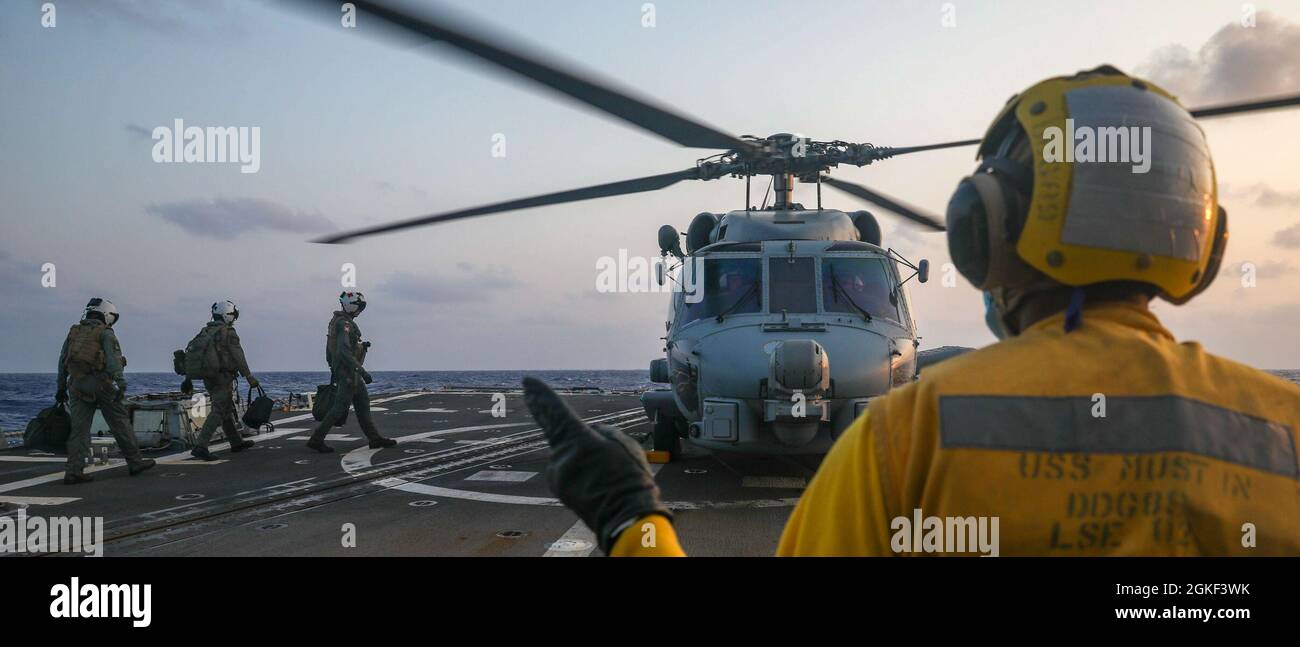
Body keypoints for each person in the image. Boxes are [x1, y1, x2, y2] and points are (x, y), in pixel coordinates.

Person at [522, 66, 1300, 556]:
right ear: (1207, 243)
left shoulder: (907, 441)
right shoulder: (1285, 429)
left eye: (857, 289)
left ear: (980, 234)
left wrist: (633, 524)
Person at [56, 298, 156, 484]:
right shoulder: (106, 333)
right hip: (101, 385)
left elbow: (63, 362)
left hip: (76, 385)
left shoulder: (74, 332)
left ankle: (73, 471)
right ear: (107, 315)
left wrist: (60, 388)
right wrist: (121, 383)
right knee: (120, 423)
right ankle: (135, 463)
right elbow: (113, 361)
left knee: (79, 431)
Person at [306, 291, 396, 452]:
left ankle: (374, 438)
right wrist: (362, 371)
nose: (360, 311)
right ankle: (316, 439)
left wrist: (361, 347)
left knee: (363, 404)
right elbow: (343, 351)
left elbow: (337, 350)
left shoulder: (339, 321)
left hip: (348, 371)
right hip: (347, 372)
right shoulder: (344, 324)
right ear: (352, 306)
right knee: (339, 408)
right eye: (359, 307)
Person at [190, 300, 259, 461]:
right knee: (219, 410)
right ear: (227, 315)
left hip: (210, 377)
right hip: (223, 377)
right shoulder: (229, 332)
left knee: (226, 409)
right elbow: (238, 356)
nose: (234, 319)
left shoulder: (207, 331)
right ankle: (201, 446)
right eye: (232, 315)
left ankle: (236, 442)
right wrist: (249, 376)